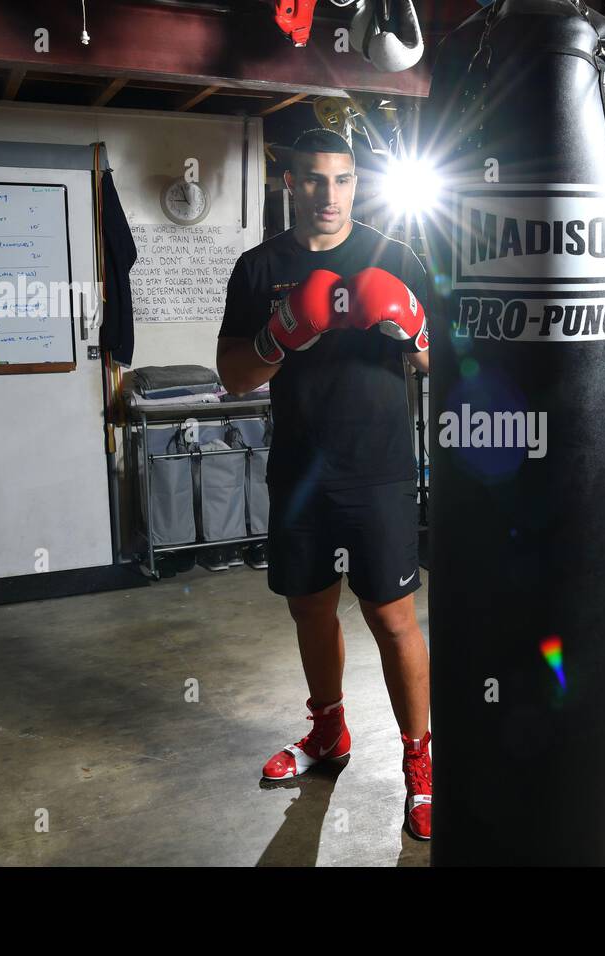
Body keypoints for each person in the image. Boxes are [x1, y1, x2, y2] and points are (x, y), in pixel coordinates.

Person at [216, 128, 433, 840]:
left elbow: (447, 364)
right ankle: (329, 735)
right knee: (310, 610)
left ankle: (419, 763)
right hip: (301, 472)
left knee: (393, 620)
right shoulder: (258, 268)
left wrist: (414, 327)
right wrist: (280, 333)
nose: (328, 195)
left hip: (379, 472)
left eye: (341, 180)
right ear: (291, 185)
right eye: (313, 180)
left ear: (356, 185)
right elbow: (234, 375)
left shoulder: (393, 256)